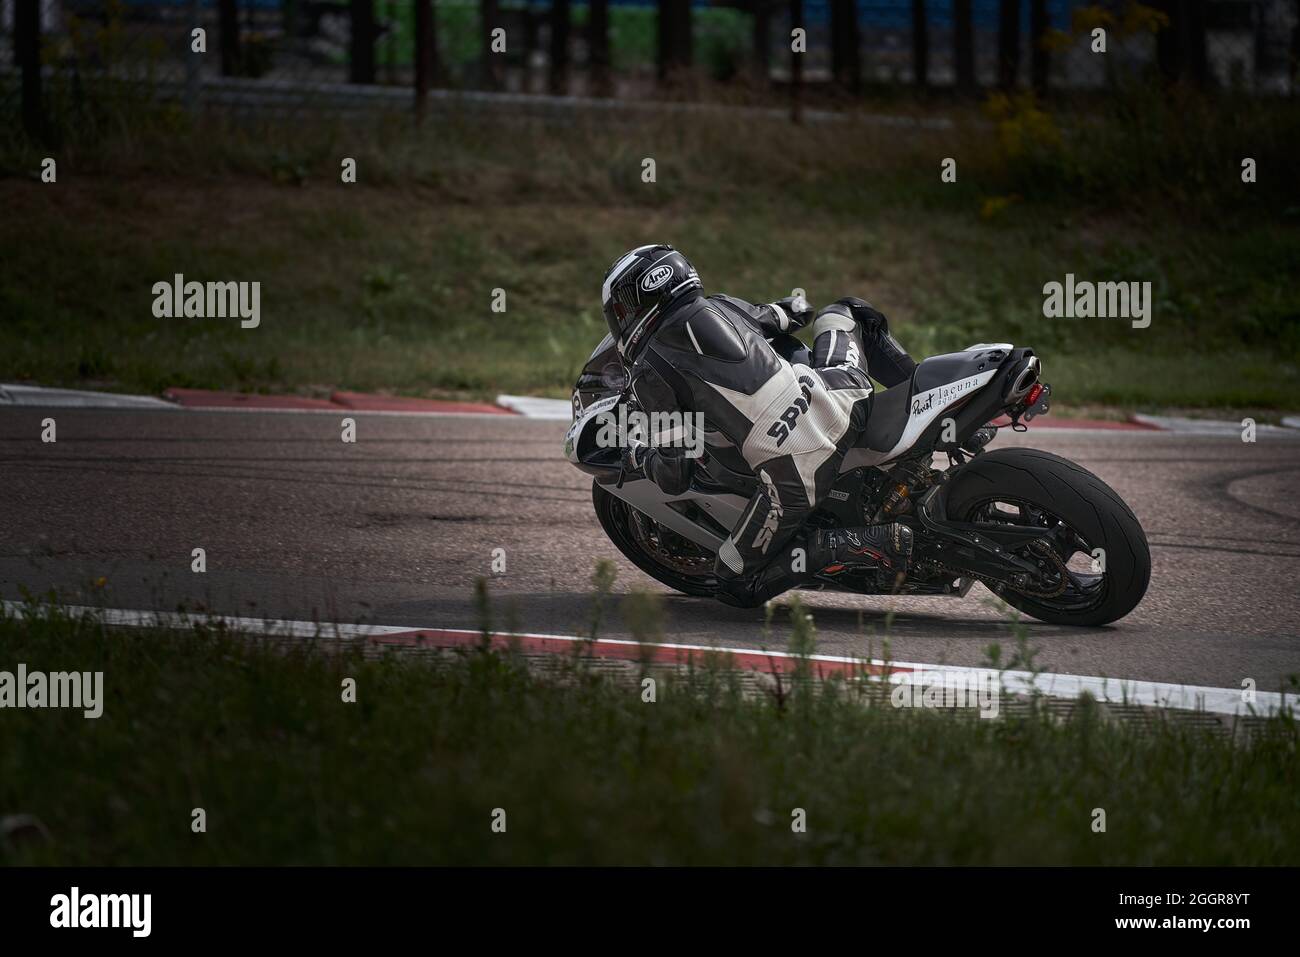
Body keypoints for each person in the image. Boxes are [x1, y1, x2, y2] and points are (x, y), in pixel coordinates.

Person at [602, 244, 918, 608]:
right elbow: (794, 313)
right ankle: (918, 389)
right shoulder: (723, 306)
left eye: (621, 309)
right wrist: (781, 310)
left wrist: (637, 457)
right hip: (841, 395)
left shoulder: (648, 373)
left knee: (733, 580)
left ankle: (851, 544)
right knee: (847, 311)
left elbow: (674, 472)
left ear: (642, 301)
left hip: (796, 469)